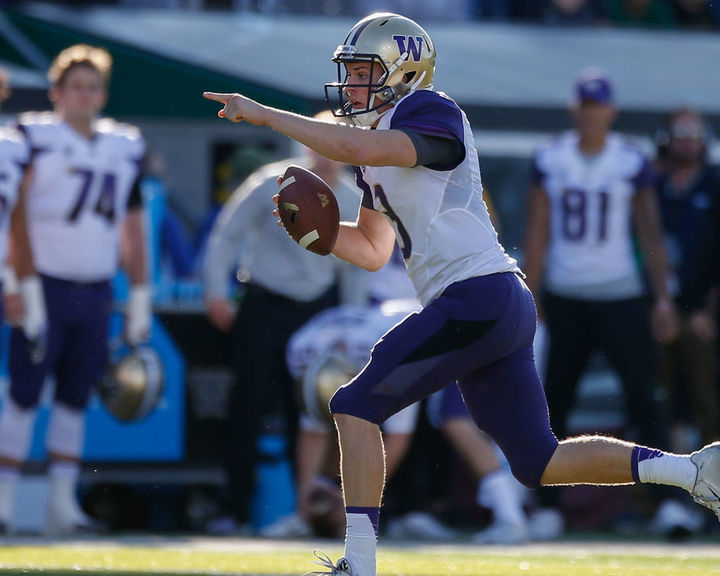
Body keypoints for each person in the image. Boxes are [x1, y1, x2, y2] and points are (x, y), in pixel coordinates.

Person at [202, 13, 720, 576]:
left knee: (353, 404)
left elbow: (377, 152)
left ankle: (359, 563)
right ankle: (692, 472)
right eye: (349, 71)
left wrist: (264, 115)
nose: (351, 84)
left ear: (404, 72)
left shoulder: (430, 110)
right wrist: (321, 237)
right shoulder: (375, 147)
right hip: (489, 304)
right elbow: (374, 249)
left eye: (362, 71)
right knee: (538, 461)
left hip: (477, 295)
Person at [523, 68, 705, 538]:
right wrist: (534, 292)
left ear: (610, 110)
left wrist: (663, 297)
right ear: (575, 108)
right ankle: (547, 503)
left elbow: (649, 232)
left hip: (621, 293)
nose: (590, 114)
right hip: (566, 295)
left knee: (645, 399)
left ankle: (669, 503)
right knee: (554, 402)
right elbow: (538, 229)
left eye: (597, 105)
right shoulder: (552, 157)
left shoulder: (628, 160)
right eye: (584, 104)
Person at [0, 44, 150, 535]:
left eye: (93, 86)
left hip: (95, 287)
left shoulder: (124, 145)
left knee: (76, 397)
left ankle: (62, 504)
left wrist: (139, 295)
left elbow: (134, 228)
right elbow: (12, 216)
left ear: (103, 94)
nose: (85, 95)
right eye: (76, 86)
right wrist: (18, 284)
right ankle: (0, 504)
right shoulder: (33, 137)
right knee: (23, 392)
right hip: (46, 284)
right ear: (56, 92)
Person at [201, 113, 366, 535]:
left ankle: (306, 511)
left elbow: (355, 272)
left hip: (318, 312)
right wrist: (216, 291)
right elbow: (226, 233)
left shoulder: (351, 198)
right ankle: (234, 509)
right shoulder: (272, 181)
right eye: (323, 140)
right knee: (247, 406)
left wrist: (349, 328)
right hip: (264, 303)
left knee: (311, 413)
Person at [270, 298, 529, 544]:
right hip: (432, 327)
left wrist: (354, 500)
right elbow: (314, 427)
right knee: (347, 423)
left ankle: (510, 517)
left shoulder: (381, 355)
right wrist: (307, 496)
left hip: (462, 331)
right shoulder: (304, 351)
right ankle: (307, 512)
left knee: (453, 420)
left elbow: (398, 438)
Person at [654, 109, 719, 451]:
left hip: (703, 311)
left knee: (706, 396)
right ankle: (664, 491)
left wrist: (709, 310)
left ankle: (712, 492)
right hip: (661, 306)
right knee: (662, 396)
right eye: (680, 135)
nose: (687, 144)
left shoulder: (714, 184)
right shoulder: (655, 186)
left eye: (693, 136)